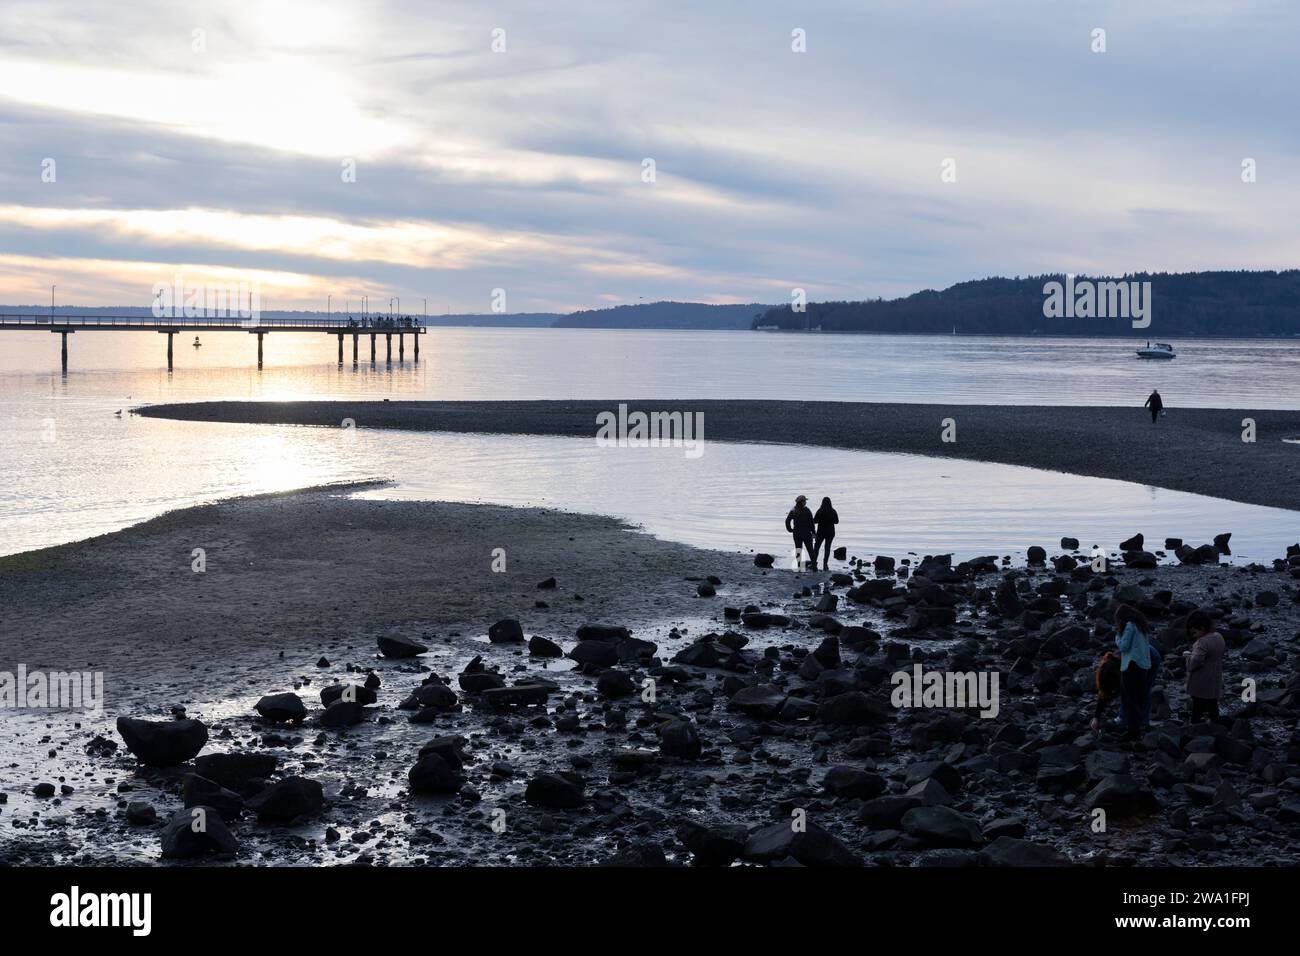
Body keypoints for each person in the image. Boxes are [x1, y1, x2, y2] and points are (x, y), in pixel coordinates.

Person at [1114, 604, 1152, 742]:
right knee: (1138, 698)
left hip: (1131, 665)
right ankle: (1137, 729)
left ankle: (1133, 732)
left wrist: (1117, 636)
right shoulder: (1142, 626)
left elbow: (1124, 646)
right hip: (1142, 666)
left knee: (1129, 699)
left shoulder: (1129, 626)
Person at [1184, 609, 1225, 723]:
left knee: (1197, 704)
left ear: (1202, 628)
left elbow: (1196, 661)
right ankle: (1216, 724)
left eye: (1194, 632)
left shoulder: (1202, 642)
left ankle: (1195, 724)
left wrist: (1188, 658)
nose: (1193, 635)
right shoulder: (1218, 636)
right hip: (1215, 676)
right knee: (1213, 703)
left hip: (1201, 679)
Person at [1090, 650, 1122, 732]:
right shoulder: (1105, 670)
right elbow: (1104, 693)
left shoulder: (1124, 672)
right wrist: (1096, 717)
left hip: (1147, 662)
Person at [785, 495, 816, 570]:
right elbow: (811, 523)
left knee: (798, 550)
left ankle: (799, 567)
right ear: (802, 502)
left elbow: (787, 521)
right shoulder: (807, 510)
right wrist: (813, 532)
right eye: (805, 501)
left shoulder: (793, 510)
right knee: (810, 550)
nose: (806, 502)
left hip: (797, 533)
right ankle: (814, 566)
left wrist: (790, 529)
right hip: (806, 533)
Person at [811, 497, 839, 571]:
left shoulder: (820, 511)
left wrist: (820, 520)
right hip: (830, 532)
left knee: (817, 547)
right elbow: (837, 521)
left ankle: (814, 562)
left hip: (821, 532)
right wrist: (830, 520)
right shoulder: (833, 511)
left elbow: (814, 521)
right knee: (827, 547)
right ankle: (825, 563)